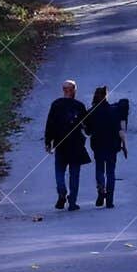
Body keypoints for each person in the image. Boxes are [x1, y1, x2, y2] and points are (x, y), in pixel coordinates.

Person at [43, 79, 89, 210]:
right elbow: (86, 126)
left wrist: (48, 141)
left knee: (60, 171)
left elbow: (50, 124)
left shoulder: (56, 104)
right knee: (74, 173)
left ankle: (62, 192)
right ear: (74, 90)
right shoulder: (79, 106)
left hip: (60, 142)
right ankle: (73, 201)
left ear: (63, 90)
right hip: (76, 145)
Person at [84, 85, 126, 208]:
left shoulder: (91, 112)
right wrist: (123, 144)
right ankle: (109, 200)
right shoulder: (114, 110)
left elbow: (88, 131)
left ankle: (101, 189)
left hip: (98, 144)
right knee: (111, 172)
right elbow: (120, 129)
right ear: (106, 96)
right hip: (112, 145)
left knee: (99, 169)